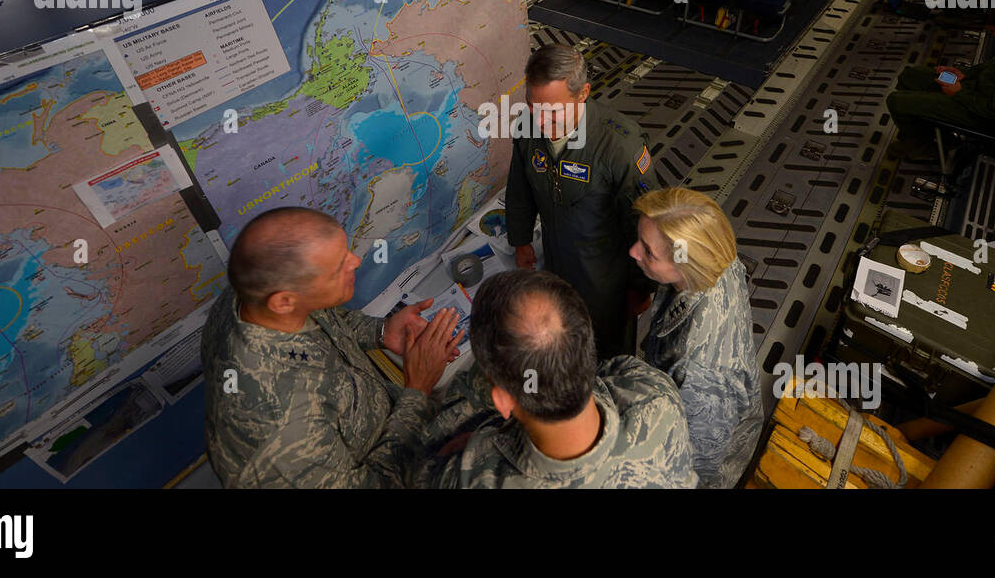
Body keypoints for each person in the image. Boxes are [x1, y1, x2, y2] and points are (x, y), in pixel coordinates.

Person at [201, 207, 465, 488]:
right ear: (283, 302)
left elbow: (324, 316)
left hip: (380, 415)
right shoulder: (280, 418)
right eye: (339, 266)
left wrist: (383, 331)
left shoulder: (258, 292)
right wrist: (418, 391)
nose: (356, 261)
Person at [420, 269, 699, 488]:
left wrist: (417, 388)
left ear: (503, 402)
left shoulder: (473, 477)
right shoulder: (654, 394)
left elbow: (399, 473)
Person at [506, 45, 655, 359]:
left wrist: (641, 286)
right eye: (534, 106)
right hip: (556, 267)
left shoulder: (620, 147)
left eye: (554, 111)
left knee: (609, 351)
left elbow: (644, 224)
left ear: (583, 93)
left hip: (605, 281)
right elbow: (519, 189)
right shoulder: (527, 128)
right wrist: (520, 241)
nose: (542, 121)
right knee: (564, 342)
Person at [629, 188, 763, 488]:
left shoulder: (702, 371)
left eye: (648, 251)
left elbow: (699, 460)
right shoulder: (716, 261)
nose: (633, 252)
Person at [886, 15, 995, 160]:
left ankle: (923, 148)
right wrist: (964, 74)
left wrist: (958, 92)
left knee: (897, 102)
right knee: (911, 76)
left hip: (983, 114)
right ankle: (932, 134)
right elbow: (994, 68)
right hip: (976, 90)